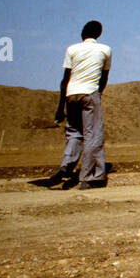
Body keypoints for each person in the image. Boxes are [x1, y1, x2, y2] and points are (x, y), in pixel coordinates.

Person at [47, 20, 111, 189]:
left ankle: (66, 167)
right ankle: (89, 177)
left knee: (73, 133)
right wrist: (97, 94)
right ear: (99, 34)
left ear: (83, 33)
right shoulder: (105, 50)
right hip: (90, 93)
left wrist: (60, 107)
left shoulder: (72, 49)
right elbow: (103, 79)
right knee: (93, 135)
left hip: (71, 94)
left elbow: (65, 79)